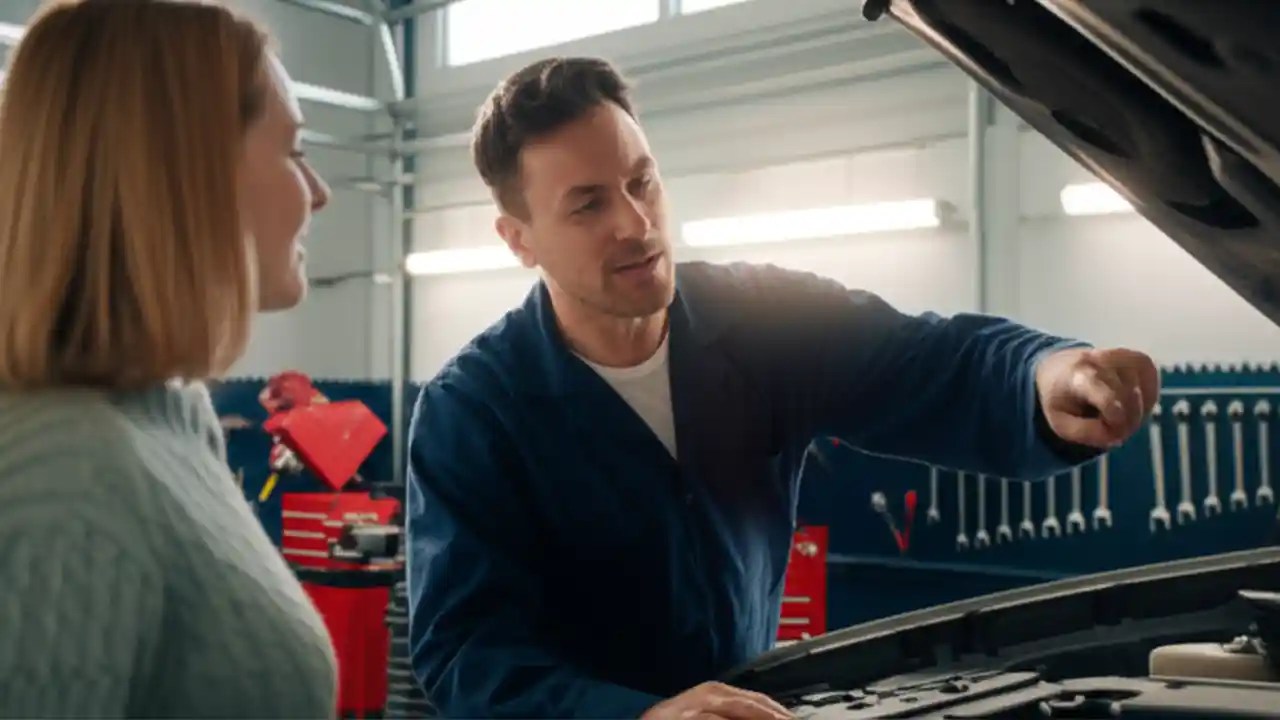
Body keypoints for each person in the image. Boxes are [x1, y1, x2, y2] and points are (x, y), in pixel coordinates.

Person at [404, 56, 1160, 719]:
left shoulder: (759, 319)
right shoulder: (474, 412)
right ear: (520, 238)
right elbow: (468, 655)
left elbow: (928, 362)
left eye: (643, 183)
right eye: (588, 204)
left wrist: (1045, 375)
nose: (636, 224)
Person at [0, 1, 335, 716]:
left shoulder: (166, 426)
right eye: (294, 152)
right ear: (187, 170)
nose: (319, 194)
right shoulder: (67, 476)